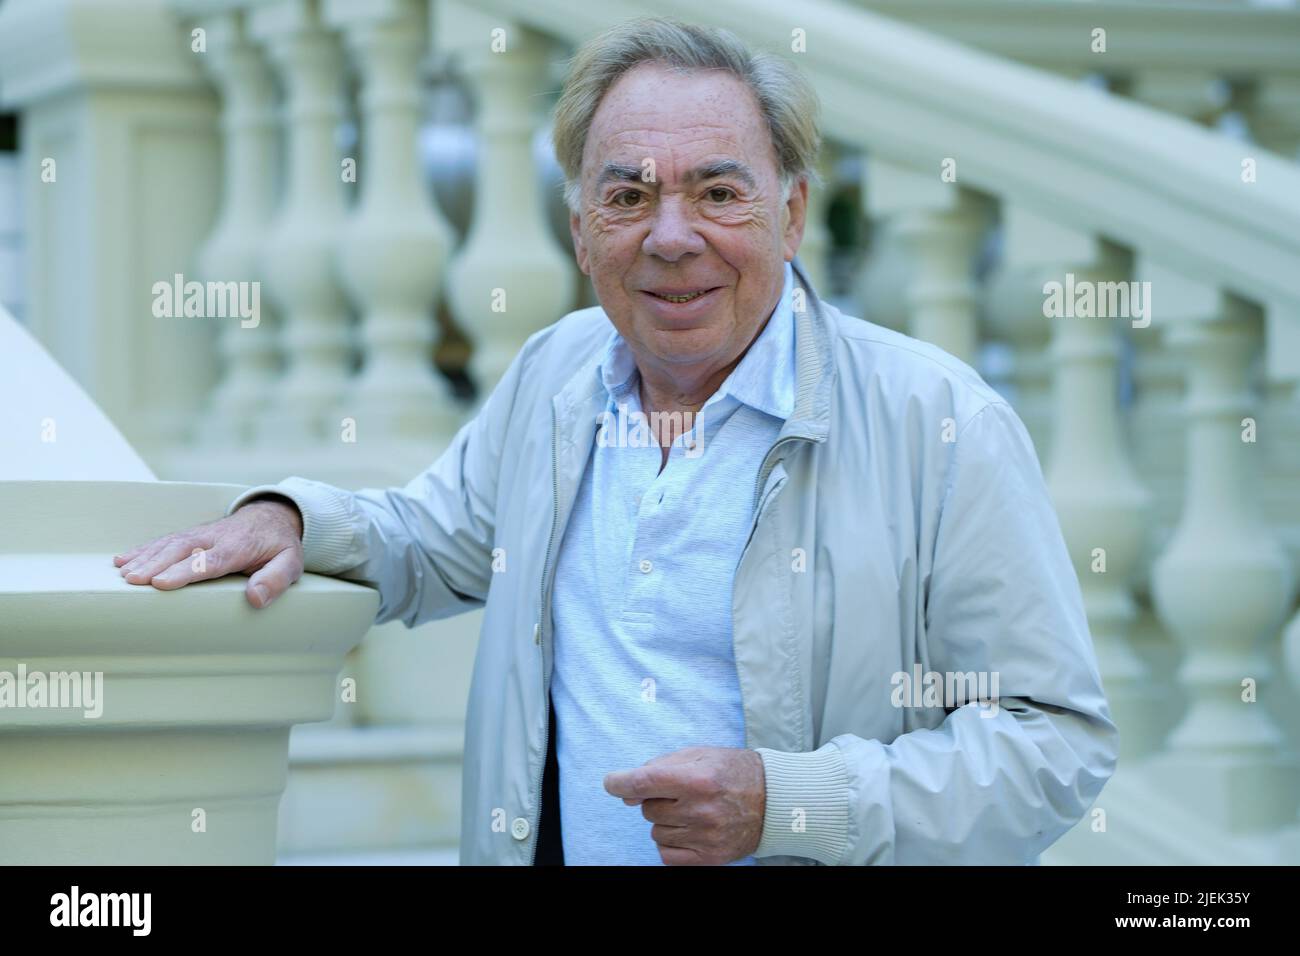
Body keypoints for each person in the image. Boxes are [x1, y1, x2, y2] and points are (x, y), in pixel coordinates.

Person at [114, 17, 1117, 865]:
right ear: (581, 227)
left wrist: (790, 799)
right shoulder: (555, 374)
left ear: (791, 213)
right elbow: (433, 538)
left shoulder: (938, 421)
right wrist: (289, 515)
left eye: (719, 193)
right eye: (627, 195)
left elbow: (1054, 741)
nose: (670, 235)